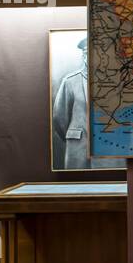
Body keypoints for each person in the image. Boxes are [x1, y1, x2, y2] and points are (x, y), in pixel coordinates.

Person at [52, 37, 92, 170]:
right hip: (77, 149)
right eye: (87, 54)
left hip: (107, 155)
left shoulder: (115, 83)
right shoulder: (69, 82)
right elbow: (59, 118)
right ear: (83, 56)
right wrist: (73, 136)